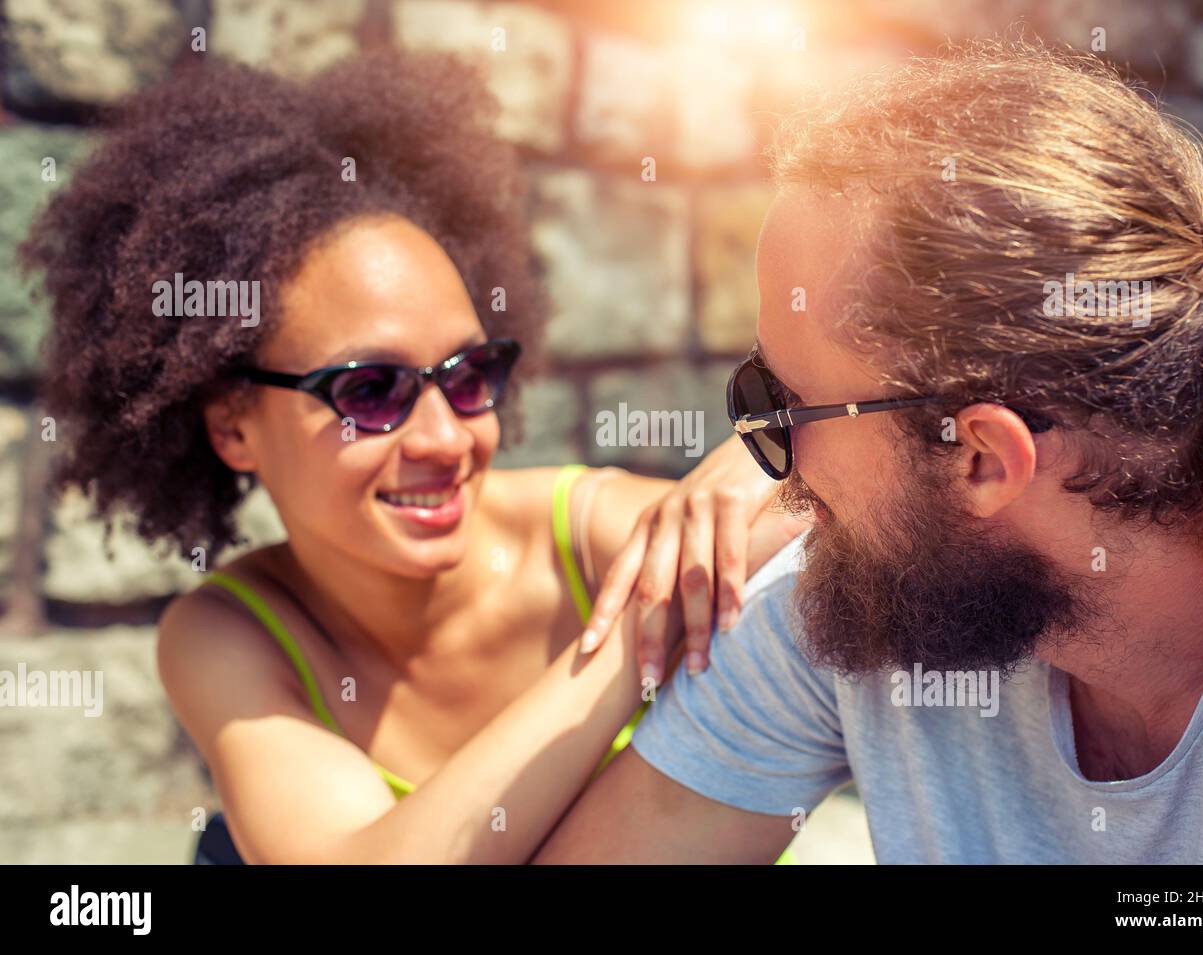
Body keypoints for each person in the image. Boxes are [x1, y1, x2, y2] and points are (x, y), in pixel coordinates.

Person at [21, 50, 804, 864]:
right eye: (369, 390)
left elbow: (830, 522)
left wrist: (758, 461)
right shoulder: (233, 632)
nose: (444, 437)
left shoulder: (591, 532)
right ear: (233, 426)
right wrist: (629, 642)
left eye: (470, 376)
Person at [533, 39, 1203, 864]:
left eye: (780, 405)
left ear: (982, 460)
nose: (764, 462)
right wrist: (645, 621)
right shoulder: (860, 600)